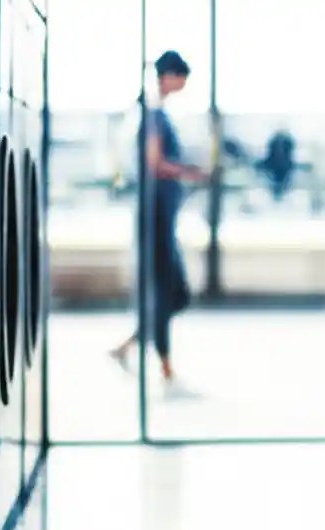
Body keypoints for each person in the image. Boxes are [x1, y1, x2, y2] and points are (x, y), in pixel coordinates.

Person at [111, 50, 209, 386]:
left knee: (174, 292)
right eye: (181, 78)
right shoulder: (153, 116)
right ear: (168, 76)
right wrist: (190, 171)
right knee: (166, 291)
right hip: (155, 219)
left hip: (161, 219)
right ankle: (164, 362)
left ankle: (129, 346)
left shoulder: (154, 114)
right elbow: (155, 164)